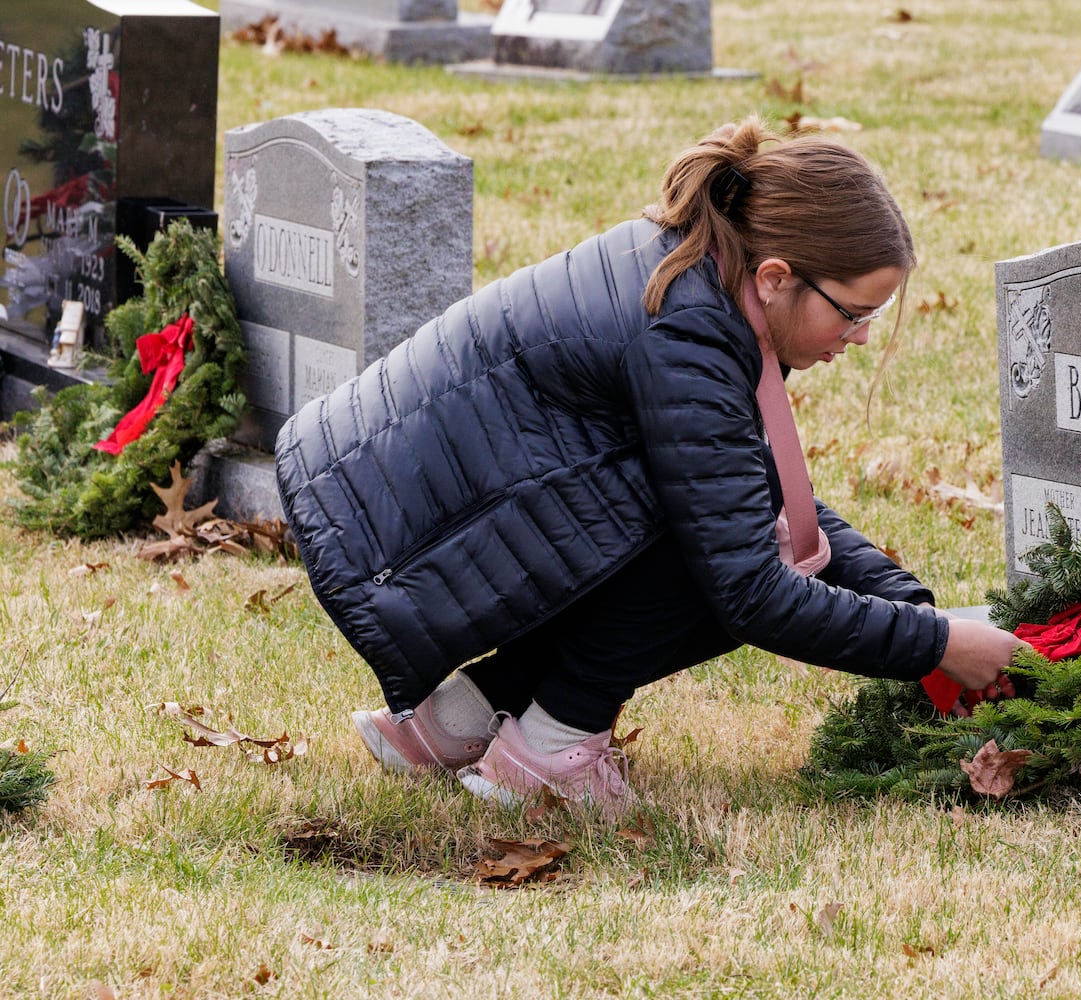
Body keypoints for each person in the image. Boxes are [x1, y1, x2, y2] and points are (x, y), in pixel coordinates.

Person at [275, 117, 1029, 818]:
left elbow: (756, 492)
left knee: (718, 523)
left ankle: (454, 721)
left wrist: (913, 608)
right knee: (718, 561)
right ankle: (549, 755)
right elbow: (753, 590)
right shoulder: (689, 333)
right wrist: (935, 646)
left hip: (388, 519)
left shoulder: (702, 278)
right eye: (853, 312)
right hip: (395, 554)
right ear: (775, 277)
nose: (858, 337)